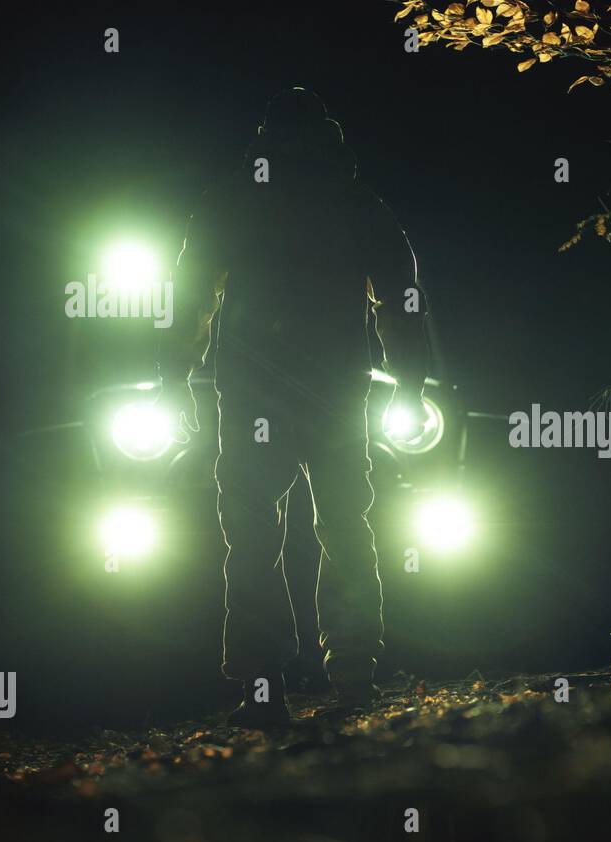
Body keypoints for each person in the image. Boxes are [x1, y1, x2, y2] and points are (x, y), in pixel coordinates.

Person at [158, 88, 428, 727]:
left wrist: (175, 375)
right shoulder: (355, 201)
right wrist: (410, 380)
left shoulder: (234, 197)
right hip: (335, 385)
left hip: (255, 388)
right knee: (345, 526)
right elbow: (401, 296)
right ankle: (355, 677)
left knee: (251, 535)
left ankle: (261, 686)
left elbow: (192, 295)